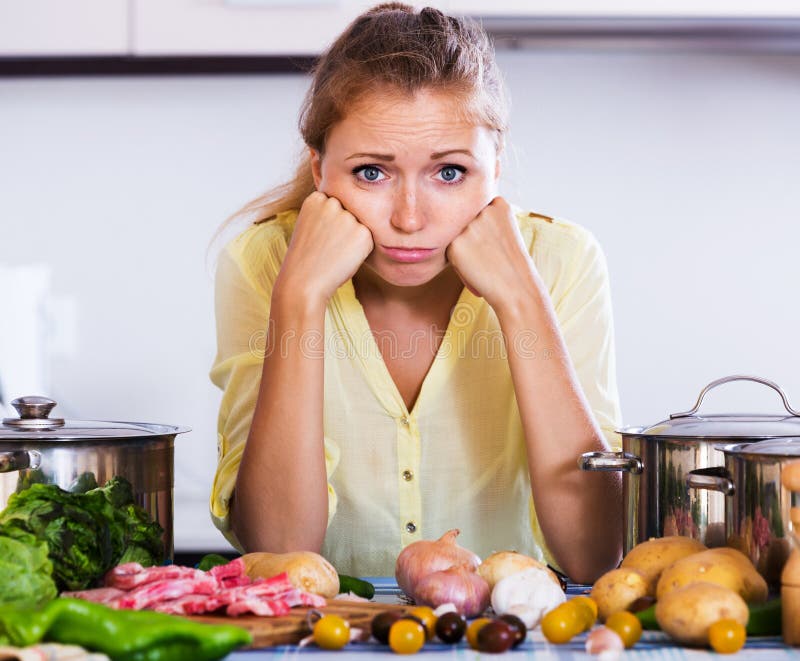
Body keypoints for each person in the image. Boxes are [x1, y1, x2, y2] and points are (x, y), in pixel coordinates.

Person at [209, 2, 623, 583]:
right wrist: (299, 298)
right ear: (319, 167)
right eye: (371, 173)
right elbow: (281, 551)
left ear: (495, 166)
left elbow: (592, 552)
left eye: (449, 172)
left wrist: (523, 301)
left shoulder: (561, 260)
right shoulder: (265, 262)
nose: (409, 218)